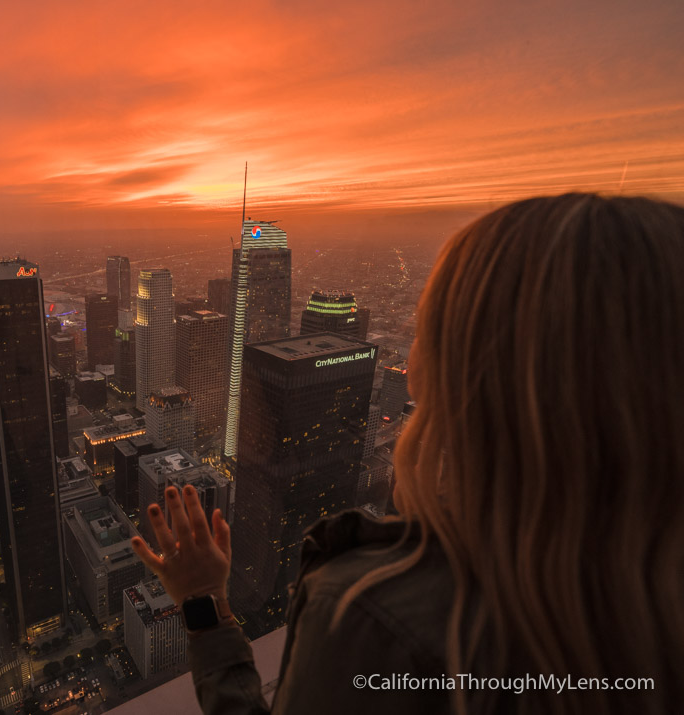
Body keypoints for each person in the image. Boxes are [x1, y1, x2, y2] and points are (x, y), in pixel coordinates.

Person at [131, 193, 684, 715]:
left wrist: (206, 607)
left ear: (464, 374)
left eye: (430, 325)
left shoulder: (377, 618)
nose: (410, 352)